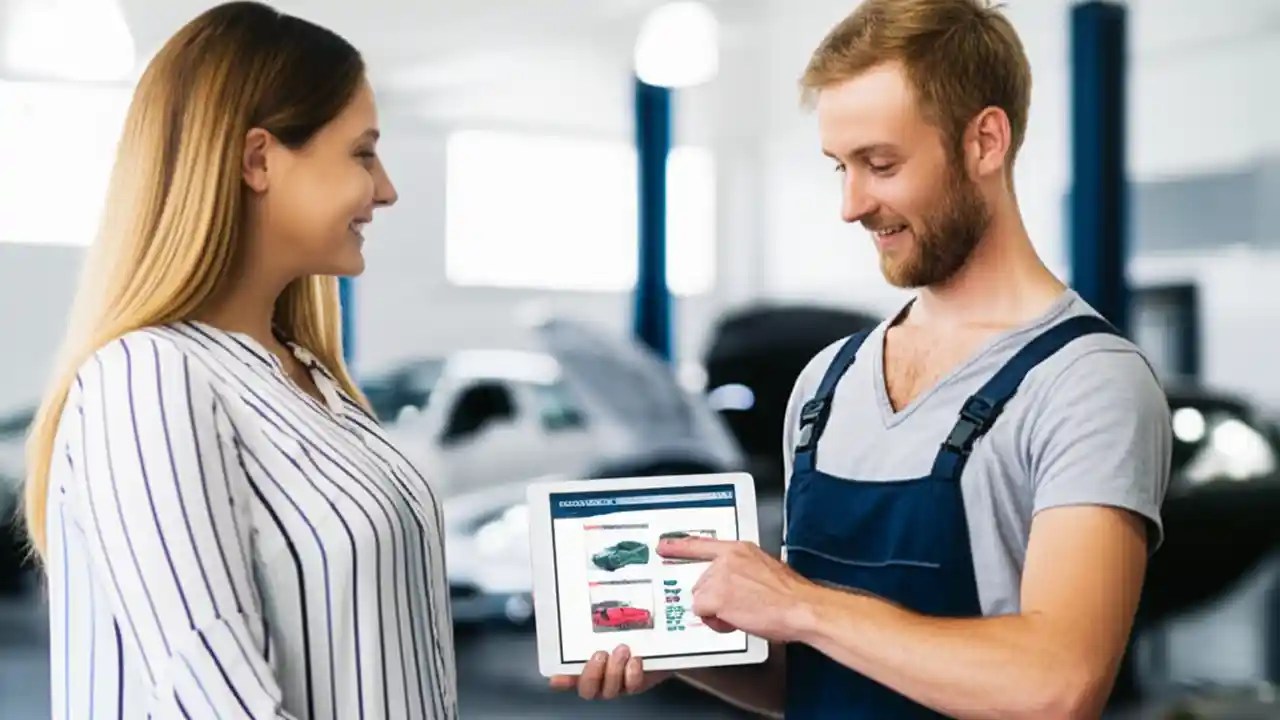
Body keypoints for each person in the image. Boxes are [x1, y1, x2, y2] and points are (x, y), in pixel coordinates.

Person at [551, 0, 1172, 717]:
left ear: (985, 142)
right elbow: (818, 675)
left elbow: (1056, 685)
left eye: (880, 164)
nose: (851, 205)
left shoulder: (1085, 382)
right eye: (839, 167)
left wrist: (801, 605)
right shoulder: (827, 383)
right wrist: (682, 649)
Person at [23, 3, 458, 717]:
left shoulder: (315, 383)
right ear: (258, 159)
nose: (385, 190)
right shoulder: (146, 378)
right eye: (362, 153)